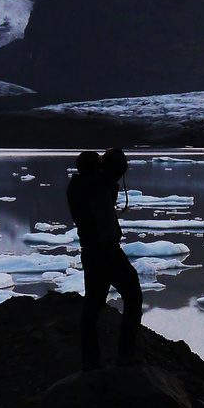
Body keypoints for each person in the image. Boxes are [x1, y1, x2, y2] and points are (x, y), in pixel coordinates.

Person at [65, 147, 145, 369]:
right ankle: (126, 355)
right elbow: (118, 167)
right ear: (95, 169)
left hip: (91, 254)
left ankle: (91, 363)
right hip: (106, 251)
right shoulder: (90, 185)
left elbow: (107, 189)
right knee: (133, 295)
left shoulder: (79, 187)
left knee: (92, 306)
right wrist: (113, 155)